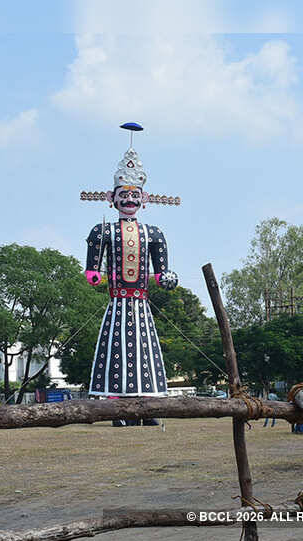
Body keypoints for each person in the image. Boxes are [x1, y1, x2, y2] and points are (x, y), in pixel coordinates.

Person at [84, 124, 178, 411]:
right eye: (123, 195)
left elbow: (162, 271)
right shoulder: (103, 232)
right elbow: (92, 270)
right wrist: (94, 274)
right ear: (112, 198)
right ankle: (115, 404)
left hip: (140, 303)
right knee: (115, 349)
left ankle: (147, 403)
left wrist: (166, 278)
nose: (129, 199)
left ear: (144, 199)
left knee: (144, 349)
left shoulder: (154, 233)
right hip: (117, 303)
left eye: (135, 195)